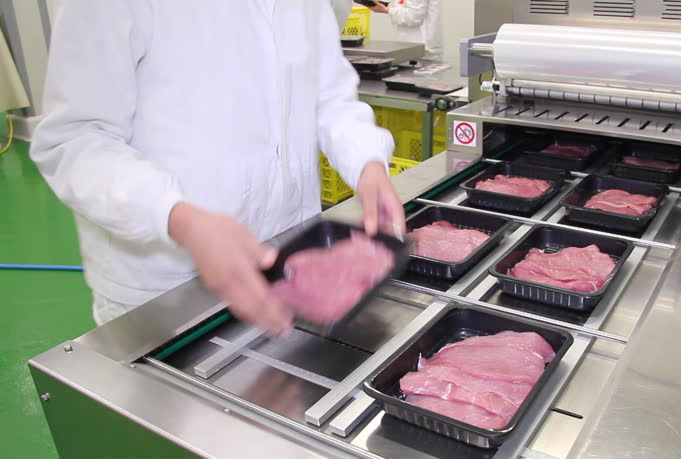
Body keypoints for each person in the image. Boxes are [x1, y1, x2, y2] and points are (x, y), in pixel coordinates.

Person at [30, 0, 406, 335]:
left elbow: (330, 96)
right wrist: (177, 218)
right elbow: (76, 140)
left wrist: (366, 162)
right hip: (164, 288)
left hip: (287, 261)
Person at [368, 0, 442, 61]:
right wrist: (386, 7)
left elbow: (413, 17)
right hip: (412, 47)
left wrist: (386, 10)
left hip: (422, 50)